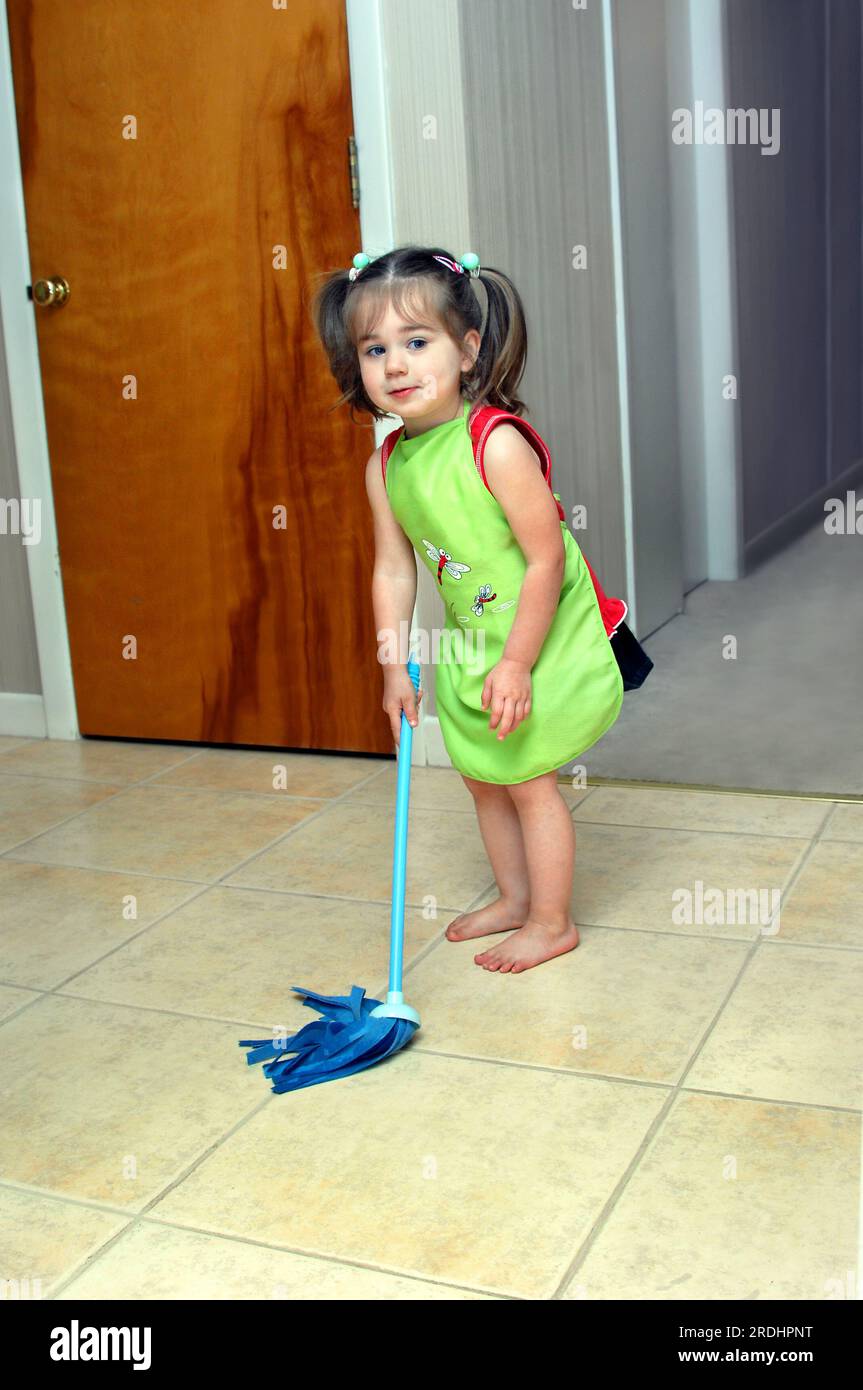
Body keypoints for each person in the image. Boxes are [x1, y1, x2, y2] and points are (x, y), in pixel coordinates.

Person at [310, 244, 624, 974]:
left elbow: (545, 559)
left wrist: (517, 663)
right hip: (471, 636)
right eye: (375, 348)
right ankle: (515, 899)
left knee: (527, 777)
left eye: (417, 343)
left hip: (538, 631)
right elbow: (393, 571)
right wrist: (395, 669)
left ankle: (551, 921)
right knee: (482, 774)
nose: (396, 366)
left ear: (467, 348)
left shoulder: (496, 444)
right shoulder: (386, 464)